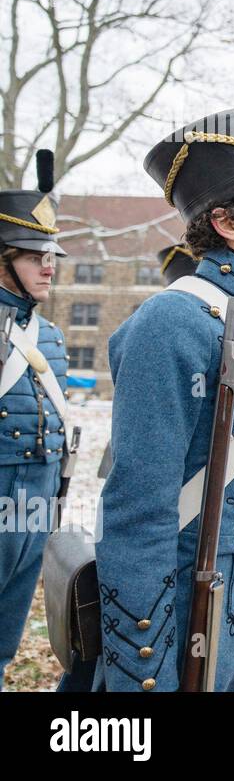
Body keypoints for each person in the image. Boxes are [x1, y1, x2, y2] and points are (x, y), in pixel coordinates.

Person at [94, 45, 234, 691]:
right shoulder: (174, 323)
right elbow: (137, 518)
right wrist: (145, 678)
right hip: (174, 639)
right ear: (223, 220)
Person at [0, 151, 68, 688]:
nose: (49, 266)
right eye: (32, 255)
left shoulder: (49, 336)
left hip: (37, 504)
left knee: (5, 639)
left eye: (52, 255)